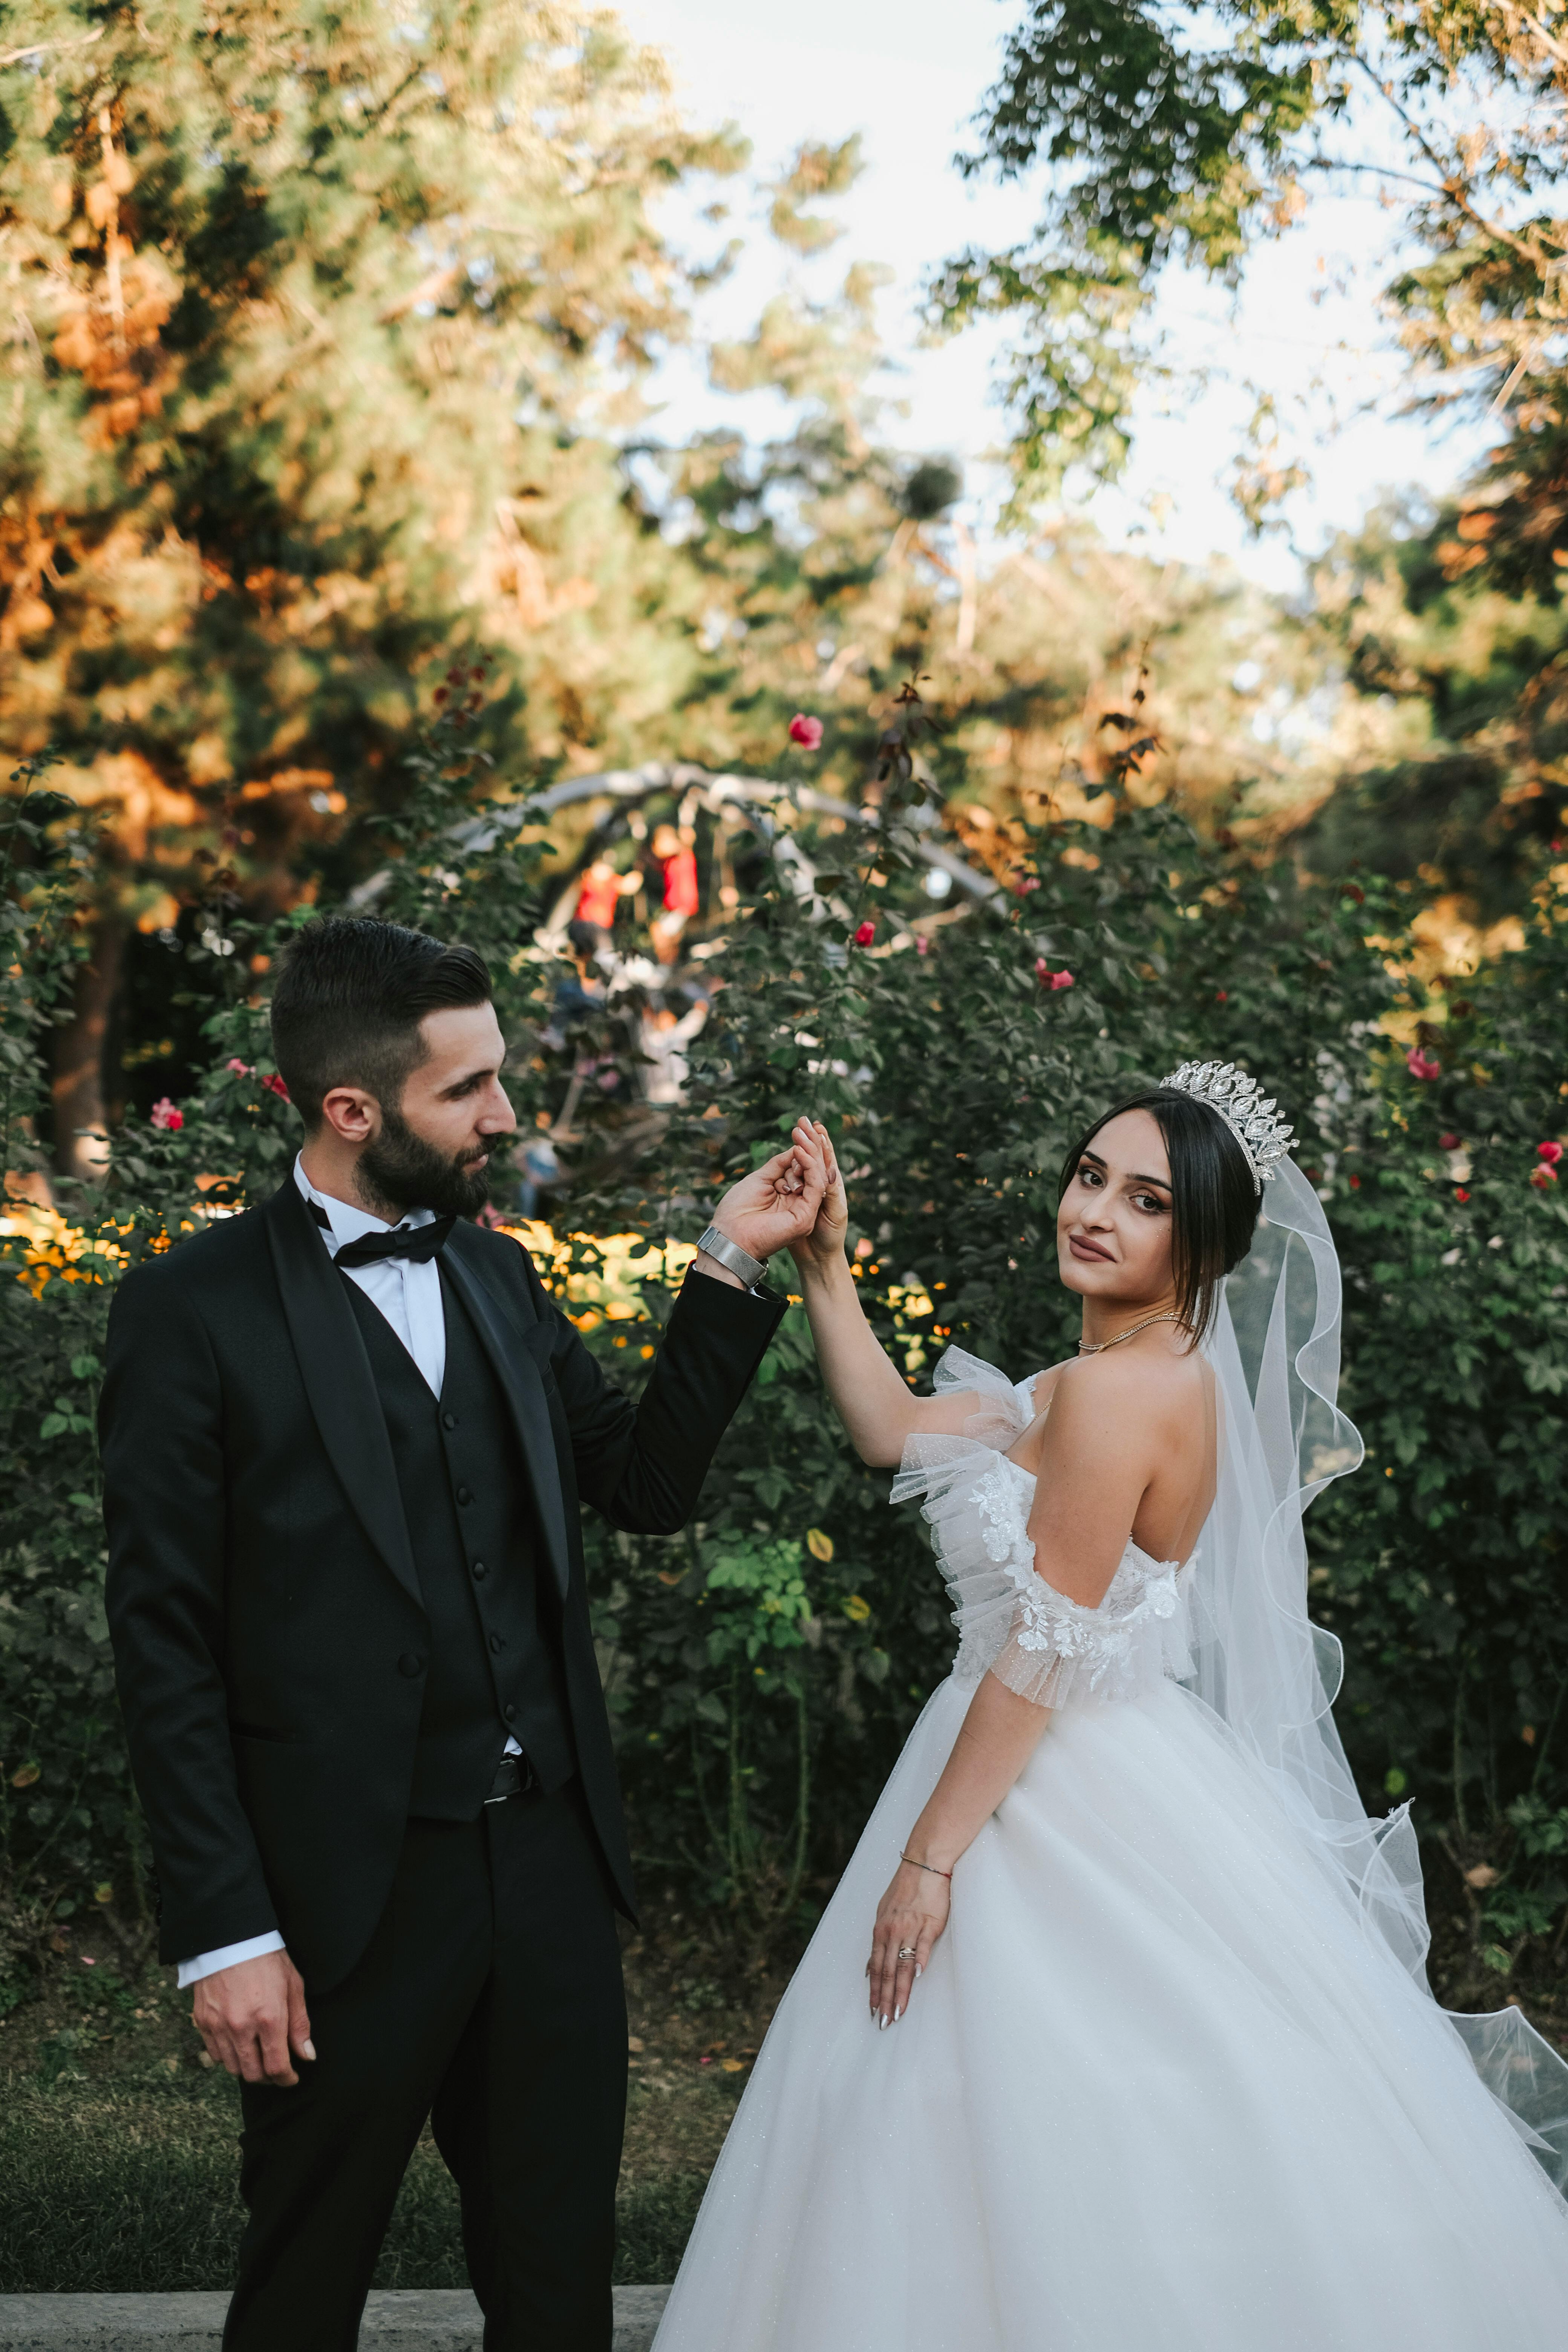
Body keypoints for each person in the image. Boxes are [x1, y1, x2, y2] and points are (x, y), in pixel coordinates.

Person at [653, 1065, 1568, 2352]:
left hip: (1033, 1778)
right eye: (1092, 1178)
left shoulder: (1116, 1392)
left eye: (1144, 1201)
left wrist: (927, 1858)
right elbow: (892, 1428)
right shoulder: (1103, 1375)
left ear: (1201, 1242)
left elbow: (1040, 1648)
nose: (1097, 1212)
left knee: (997, 2103)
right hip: (1091, 1752)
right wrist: (826, 1263)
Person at [100, 915, 822, 2352]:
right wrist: (225, 1932)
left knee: (556, 2293)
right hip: (337, 1899)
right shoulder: (192, 1310)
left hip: (546, 1867)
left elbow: (643, 1488)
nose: (507, 1114)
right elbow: (163, 1641)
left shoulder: (496, 1275)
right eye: (469, 1089)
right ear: (352, 1110)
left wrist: (731, 1265)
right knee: (303, 2291)